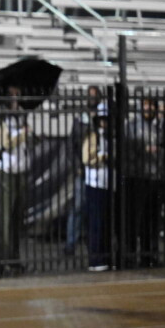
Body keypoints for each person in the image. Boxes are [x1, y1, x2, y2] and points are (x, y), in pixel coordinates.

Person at [124, 97, 165, 267]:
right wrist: (145, 149)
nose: (148, 109)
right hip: (138, 177)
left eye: (151, 106)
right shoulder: (133, 126)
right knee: (136, 219)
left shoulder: (158, 127)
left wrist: (158, 152)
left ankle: (150, 254)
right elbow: (128, 150)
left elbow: (164, 149)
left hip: (155, 177)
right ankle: (131, 255)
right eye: (145, 106)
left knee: (152, 219)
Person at [65, 86, 102, 256]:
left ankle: (91, 241)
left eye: (94, 96)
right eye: (90, 96)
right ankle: (71, 243)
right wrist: (77, 166)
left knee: (94, 207)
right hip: (83, 169)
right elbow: (72, 145)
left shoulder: (102, 117)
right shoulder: (80, 119)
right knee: (78, 206)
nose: (92, 99)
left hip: (98, 168)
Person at [0, 86, 30, 273]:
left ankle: (15, 257)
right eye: (12, 96)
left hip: (21, 169)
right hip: (7, 171)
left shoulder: (22, 116)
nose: (16, 99)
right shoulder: (2, 118)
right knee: (6, 218)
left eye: (18, 95)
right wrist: (24, 134)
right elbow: (6, 143)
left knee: (18, 218)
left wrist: (32, 136)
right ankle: (5, 258)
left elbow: (23, 141)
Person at [83, 103, 112, 271]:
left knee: (107, 222)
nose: (105, 123)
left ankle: (106, 256)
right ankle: (95, 259)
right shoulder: (92, 135)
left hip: (109, 183)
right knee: (96, 222)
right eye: (102, 119)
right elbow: (87, 158)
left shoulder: (111, 135)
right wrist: (102, 157)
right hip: (95, 183)